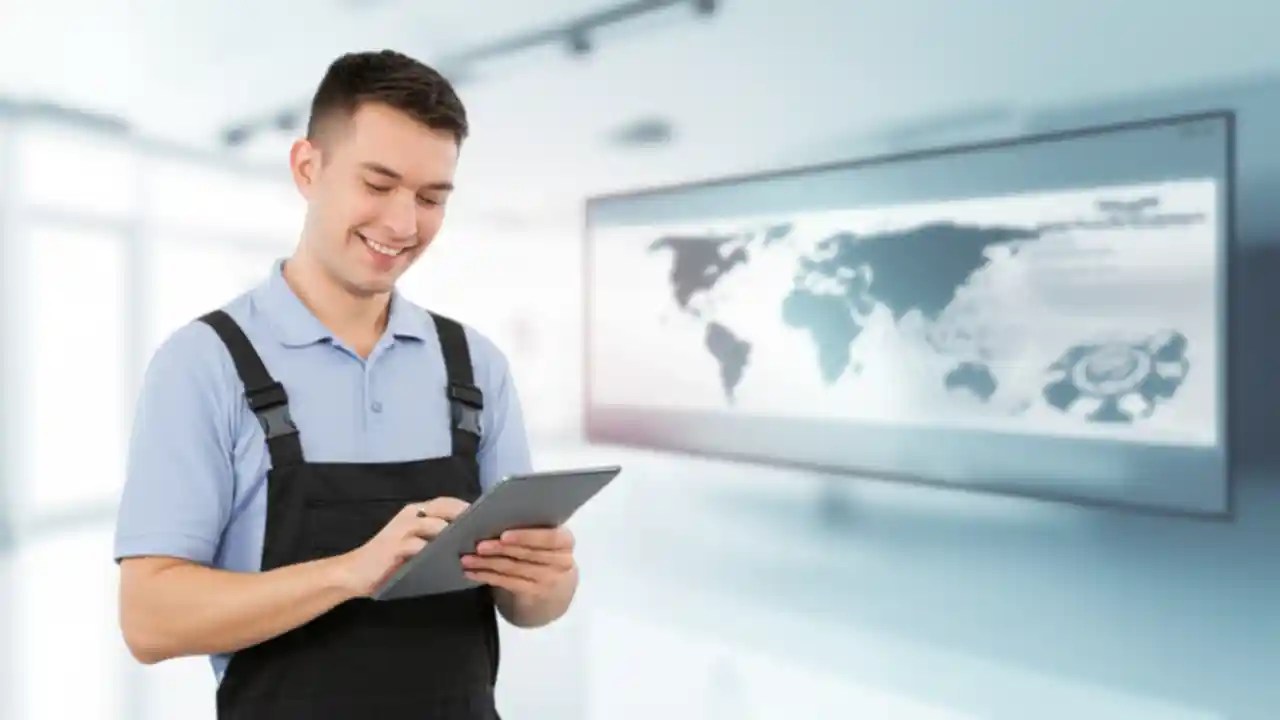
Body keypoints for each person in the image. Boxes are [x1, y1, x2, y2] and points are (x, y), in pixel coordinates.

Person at [113, 49, 579, 719]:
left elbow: (529, 608)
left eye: (430, 197)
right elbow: (149, 621)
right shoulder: (203, 365)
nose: (403, 224)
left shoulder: (475, 367)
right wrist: (350, 573)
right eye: (378, 183)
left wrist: (548, 582)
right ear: (308, 168)